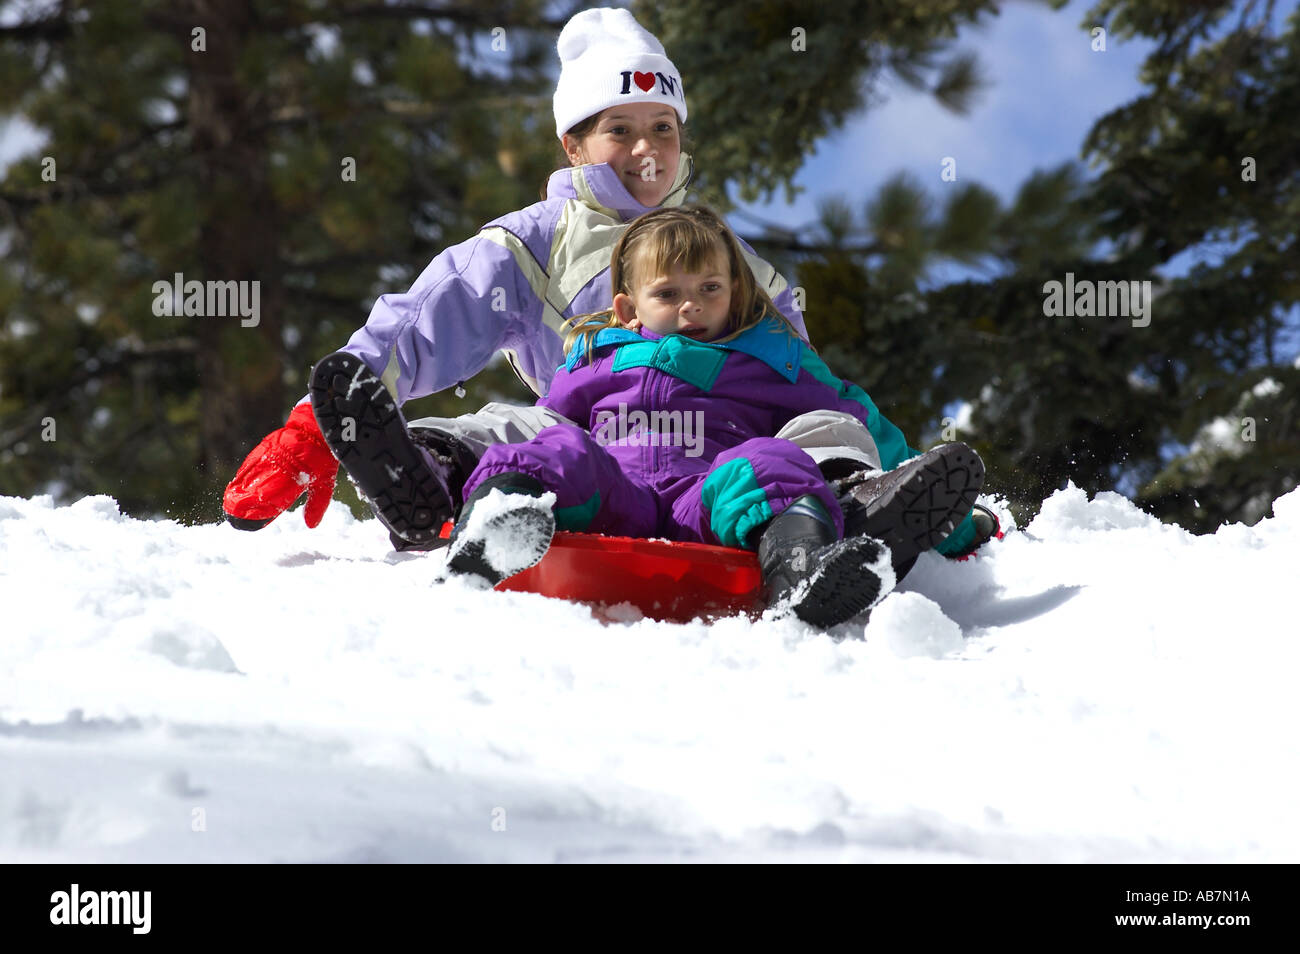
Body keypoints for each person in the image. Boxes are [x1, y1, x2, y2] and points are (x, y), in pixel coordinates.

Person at [223, 7, 998, 563]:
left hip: (724, 459)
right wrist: (311, 429)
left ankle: (852, 506)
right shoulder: (534, 240)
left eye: (663, 127)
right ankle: (426, 482)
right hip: (594, 457)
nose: (647, 150)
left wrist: (906, 477)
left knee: (812, 441)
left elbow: (819, 389)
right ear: (574, 141)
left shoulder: (729, 258)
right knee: (503, 430)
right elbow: (426, 319)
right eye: (619, 129)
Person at [313, 205, 984, 628]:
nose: (692, 305)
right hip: (616, 491)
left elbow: (851, 417)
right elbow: (552, 430)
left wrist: (936, 514)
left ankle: (808, 562)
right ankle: (439, 485)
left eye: (709, 290)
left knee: (780, 456)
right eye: (671, 293)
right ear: (631, 309)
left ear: (734, 294)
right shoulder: (592, 360)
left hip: (713, 500)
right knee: (531, 433)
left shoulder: (772, 359)